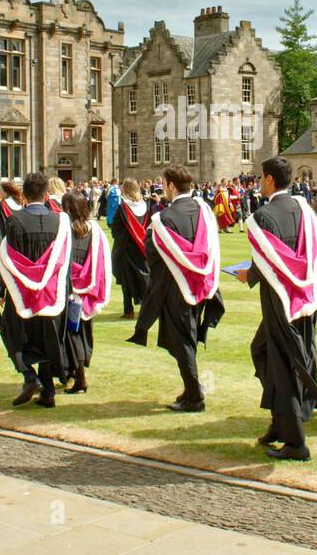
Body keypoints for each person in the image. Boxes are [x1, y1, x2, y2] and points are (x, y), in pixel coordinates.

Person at [235, 156, 317, 461]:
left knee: (283, 364)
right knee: (260, 350)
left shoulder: (263, 216)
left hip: (279, 300)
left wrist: (249, 275)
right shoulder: (305, 210)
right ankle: (278, 419)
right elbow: (311, 252)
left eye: (261, 177)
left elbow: (267, 258)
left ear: (270, 179)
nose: (259, 181)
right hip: (305, 296)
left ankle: (296, 442)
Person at [129, 164, 225, 412]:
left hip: (176, 289)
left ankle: (195, 397)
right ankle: (190, 389)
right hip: (203, 287)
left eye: (165, 183)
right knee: (188, 341)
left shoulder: (162, 220)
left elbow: (152, 257)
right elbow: (209, 248)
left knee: (181, 343)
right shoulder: (204, 210)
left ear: (171, 186)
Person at [0, 171, 71, 408]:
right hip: (52, 293)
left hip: (24, 293)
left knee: (11, 333)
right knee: (47, 340)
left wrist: (2, 290)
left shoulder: (15, 221)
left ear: (24, 195)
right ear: (46, 194)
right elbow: (63, 262)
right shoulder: (60, 221)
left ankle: (29, 376)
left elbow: (11, 259)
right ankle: (48, 392)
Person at [63, 189, 111, 395]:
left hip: (70, 289)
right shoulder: (96, 231)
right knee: (83, 330)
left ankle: (80, 377)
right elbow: (102, 261)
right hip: (88, 288)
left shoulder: (64, 230)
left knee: (72, 333)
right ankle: (74, 372)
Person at [110, 178, 151, 320]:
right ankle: (149, 308)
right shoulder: (147, 205)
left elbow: (115, 229)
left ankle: (128, 310)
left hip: (126, 249)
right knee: (146, 278)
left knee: (127, 281)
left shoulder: (123, 208)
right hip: (143, 248)